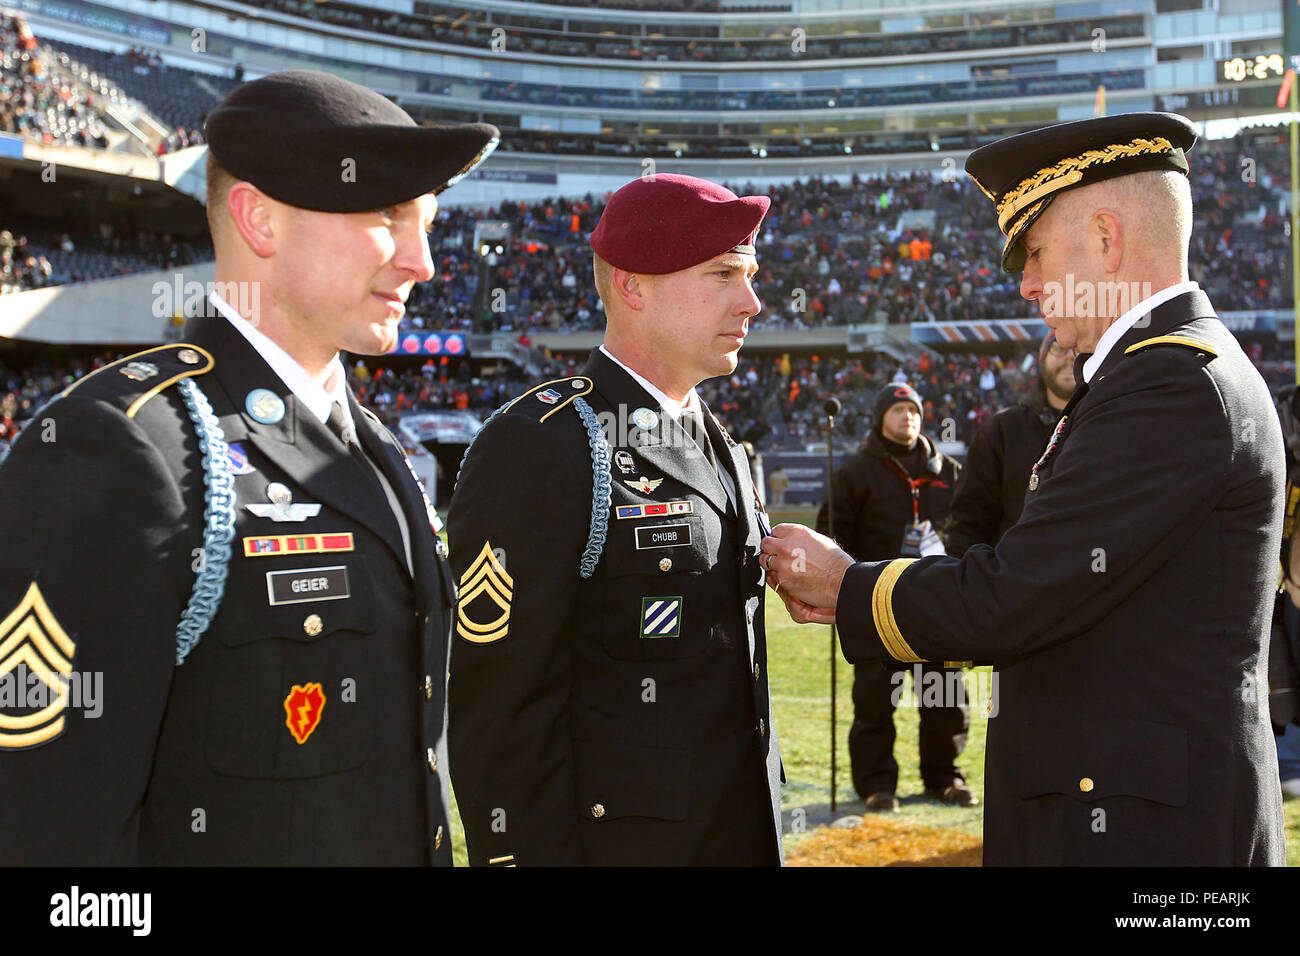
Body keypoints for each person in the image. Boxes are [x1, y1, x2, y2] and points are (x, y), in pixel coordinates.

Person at [761, 112, 1286, 865]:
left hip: (1141, 830)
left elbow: (1024, 591)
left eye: (1035, 252)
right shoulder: (1162, 373)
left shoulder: (1169, 383)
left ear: (1106, 239)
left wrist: (850, 584)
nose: (1028, 283)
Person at [0, 70, 498, 864]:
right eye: (388, 216)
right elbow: (54, 835)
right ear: (259, 219)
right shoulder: (128, 445)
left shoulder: (375, 447)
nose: (424, 263)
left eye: (429, 223)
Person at [448, 173, 783, 866]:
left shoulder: (715, 436)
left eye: (749, 274)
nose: (751, 302)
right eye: (723, 274)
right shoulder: (542, 440)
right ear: (633, 286)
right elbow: (500, 714)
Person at [817, 383, 972, 811]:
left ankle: (945, 776)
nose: (909, 417)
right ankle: (876, 783)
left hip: (939, 602)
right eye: (899, 409)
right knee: (874, 699)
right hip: (875, 602)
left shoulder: (950, 473)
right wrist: (844, 589)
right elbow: (832, 535)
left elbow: (973, 528)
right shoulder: (854, 473)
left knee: (946, 696)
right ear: (880, 416)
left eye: (915, 410)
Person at [943, 331, 1073, 556]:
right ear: (1042, 359)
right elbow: (969, 519)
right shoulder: (1002, 429)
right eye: (1058, 349)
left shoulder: (1110, 424)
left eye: (1079, 349)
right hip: (1016, 582)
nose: (1070, 356)